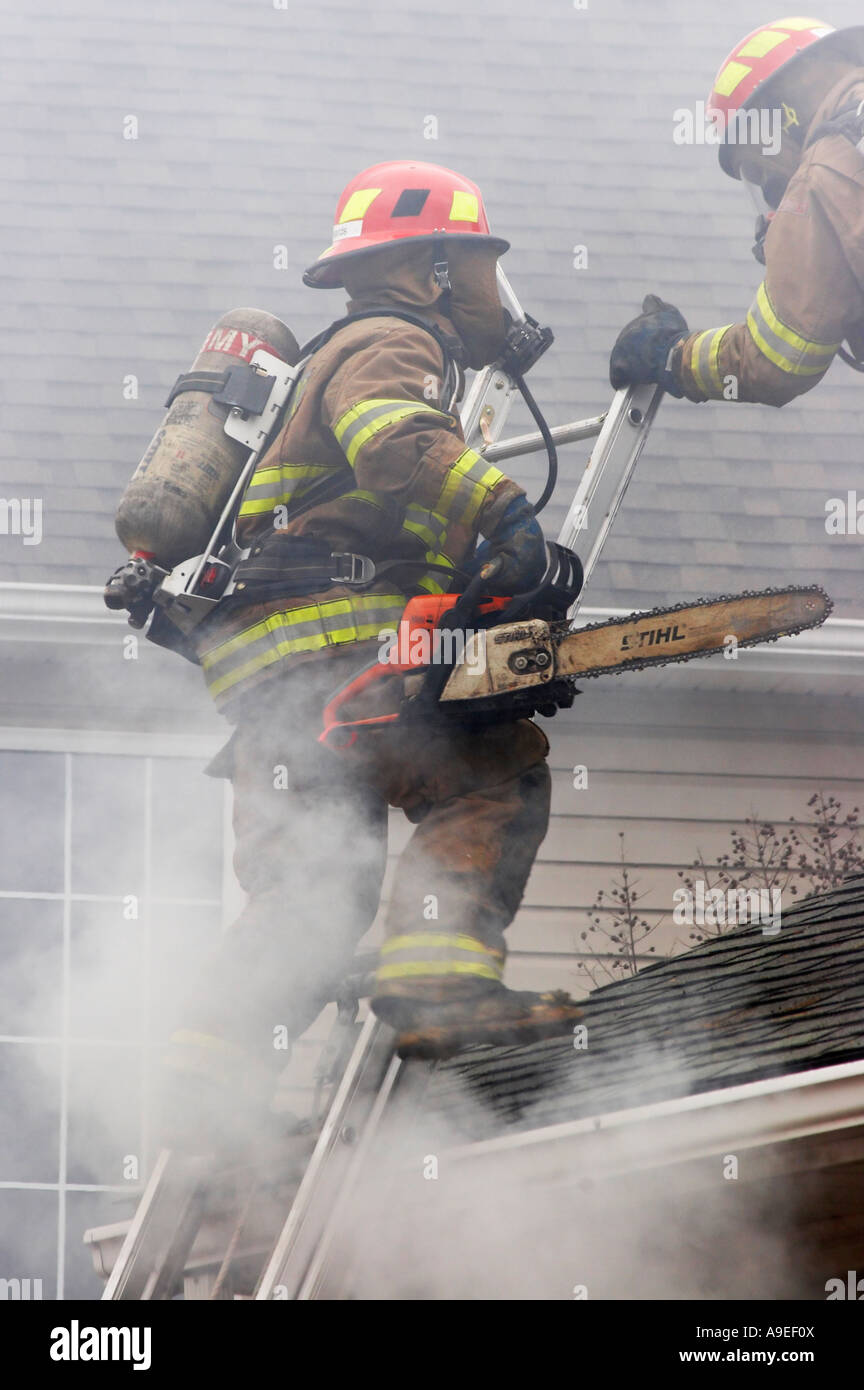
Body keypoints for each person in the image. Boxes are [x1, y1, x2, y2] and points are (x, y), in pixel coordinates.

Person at [161, 160, 583, 1148]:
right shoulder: (391, 340)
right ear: (434, 269)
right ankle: (439, 983)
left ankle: (203, 1095)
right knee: (493, 777)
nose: (490, 288)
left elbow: (382, 499)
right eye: (479, 263)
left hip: (269, 684)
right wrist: (509, 516)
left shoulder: (316, 365)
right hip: (344, 649)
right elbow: (393, 444)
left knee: (313, 895)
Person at [610, 18, 864, 406]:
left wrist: (676, 356)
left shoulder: (823, 170)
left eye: (765, 174)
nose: (774, 197)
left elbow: (776, 361)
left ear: (779, 118)